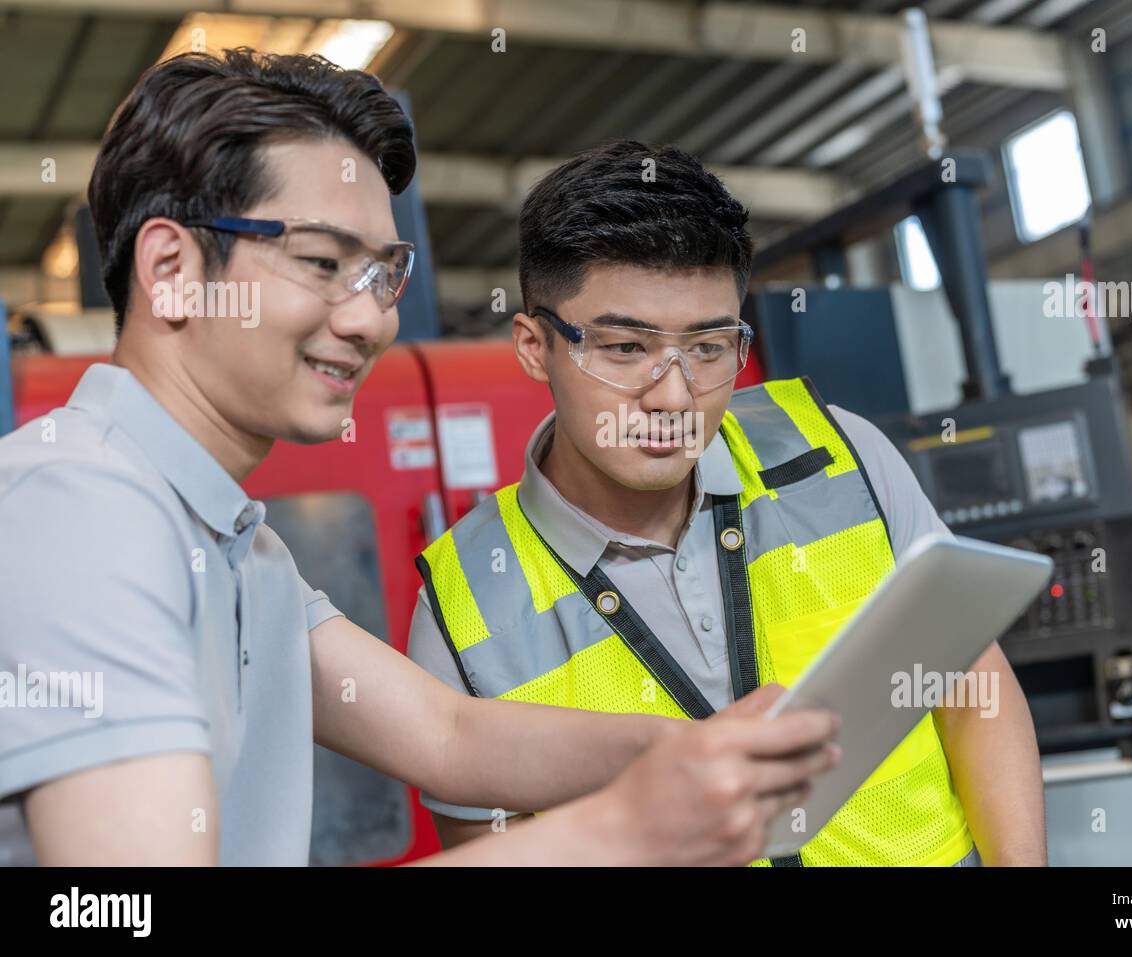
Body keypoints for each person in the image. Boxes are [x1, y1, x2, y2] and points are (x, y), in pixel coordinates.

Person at [0, 50, 841, 867]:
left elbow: (449, 735)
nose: (372, 322)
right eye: (324, 263)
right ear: (174, 269)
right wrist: (625, 830)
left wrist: (704, 749)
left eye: (382, 275)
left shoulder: (240, 548)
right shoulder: (76, 507)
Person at [409, 140, 1048, 866]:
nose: (675, 395)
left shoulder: (841, 455)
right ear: (533, 346)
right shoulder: (466, 611)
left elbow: (971, 684)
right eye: (624, 348)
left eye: (710, 346)